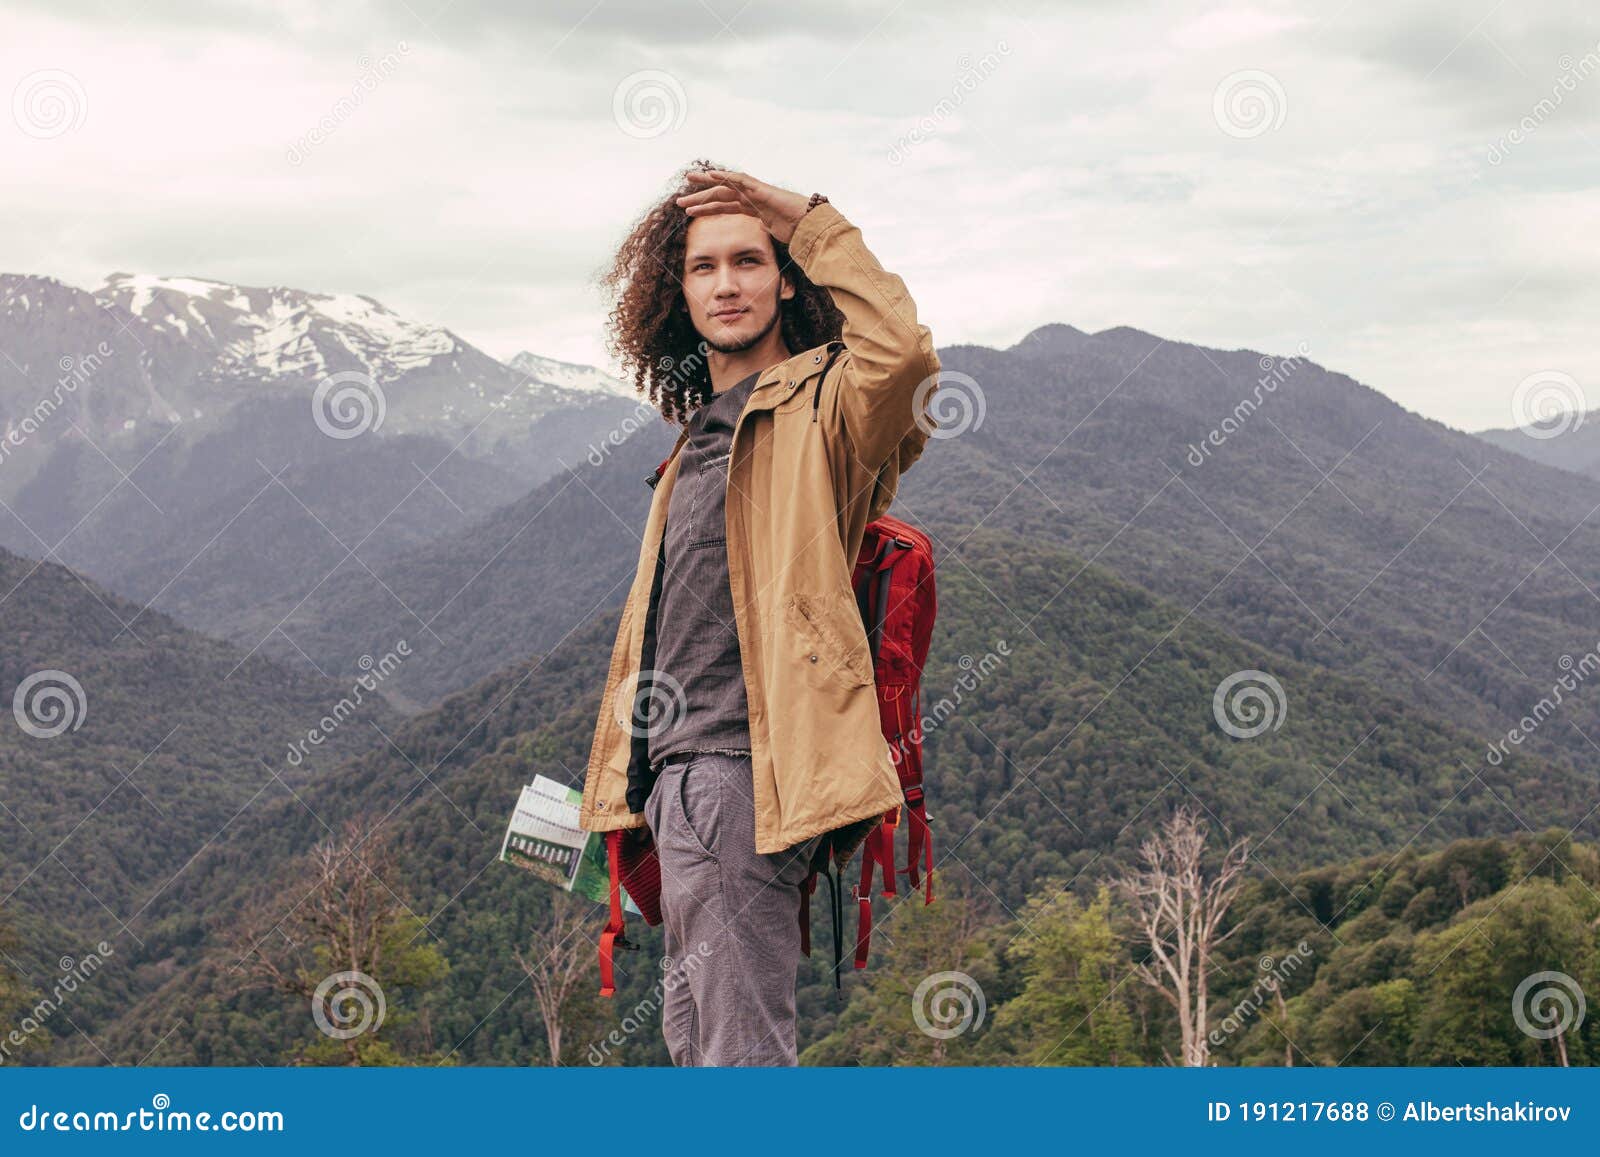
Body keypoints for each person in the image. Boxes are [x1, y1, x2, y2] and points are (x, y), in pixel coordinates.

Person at [578, 160, 940, 1065]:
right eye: (704, 267)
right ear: (680, 293)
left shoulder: (825, 409)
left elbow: (902, 355)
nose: (727, 284)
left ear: (787, 280)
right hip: (676, 787)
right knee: (699, 1045)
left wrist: (806, 217)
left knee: (741, 1059)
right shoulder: (697, 440)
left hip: (743, 775)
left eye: (750, 260)